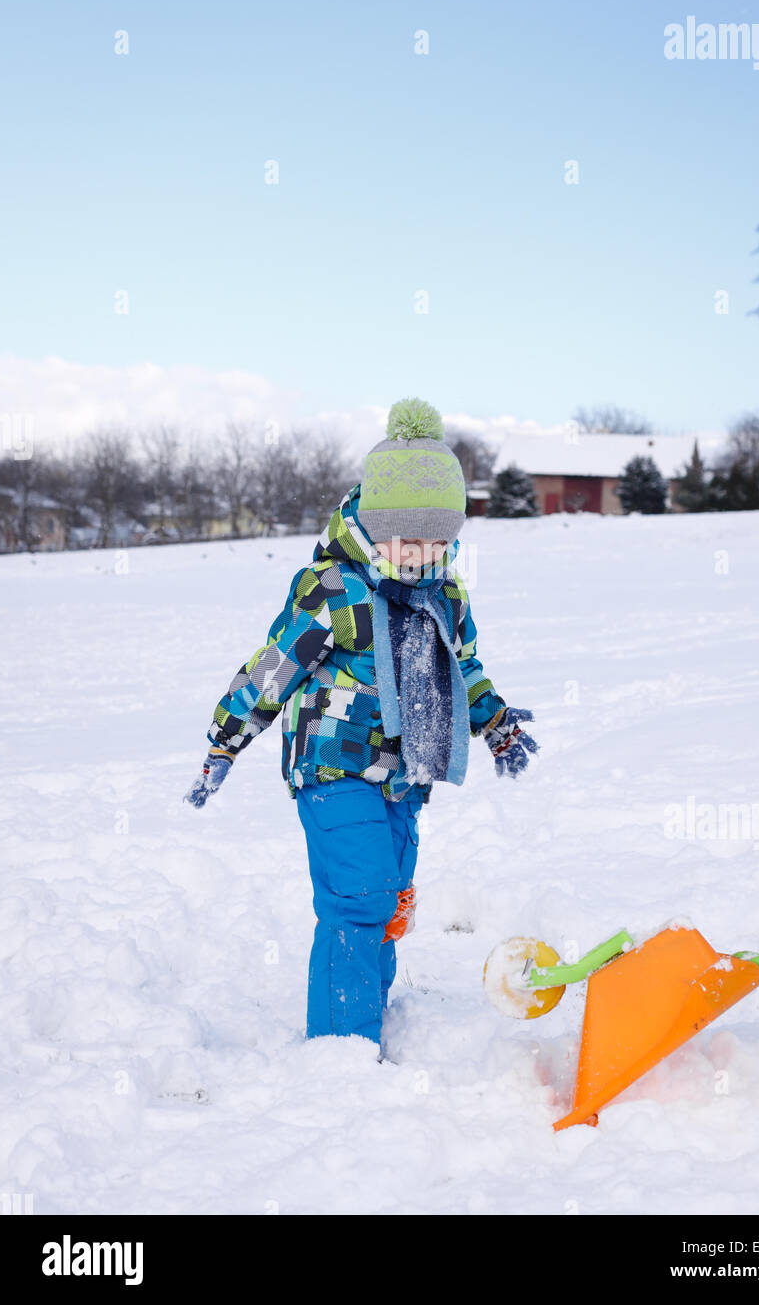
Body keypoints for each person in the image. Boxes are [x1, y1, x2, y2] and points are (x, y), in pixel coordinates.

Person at [184, 397, 538, 1049]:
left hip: (406, 773)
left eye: (438, 539)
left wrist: (496, 726)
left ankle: (367, 1013)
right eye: (406, 538)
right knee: (360, 896)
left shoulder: (446, 595)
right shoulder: (334, 589)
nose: (420, 554)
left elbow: (464, 671)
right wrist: (224, 744)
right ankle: (341, 1049)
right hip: (332, 765)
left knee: (392, 902)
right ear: (374, 525)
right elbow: (273, 671)